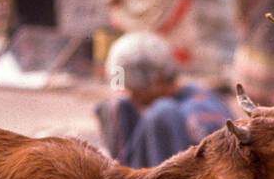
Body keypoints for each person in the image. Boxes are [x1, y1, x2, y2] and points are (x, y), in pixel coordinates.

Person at [96, 32, 230, 169]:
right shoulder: (190, 96)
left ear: (158, 79)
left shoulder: (184, 113)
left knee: (160, 112)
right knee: (116, 107)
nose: (132, 97)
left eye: (134, 90)